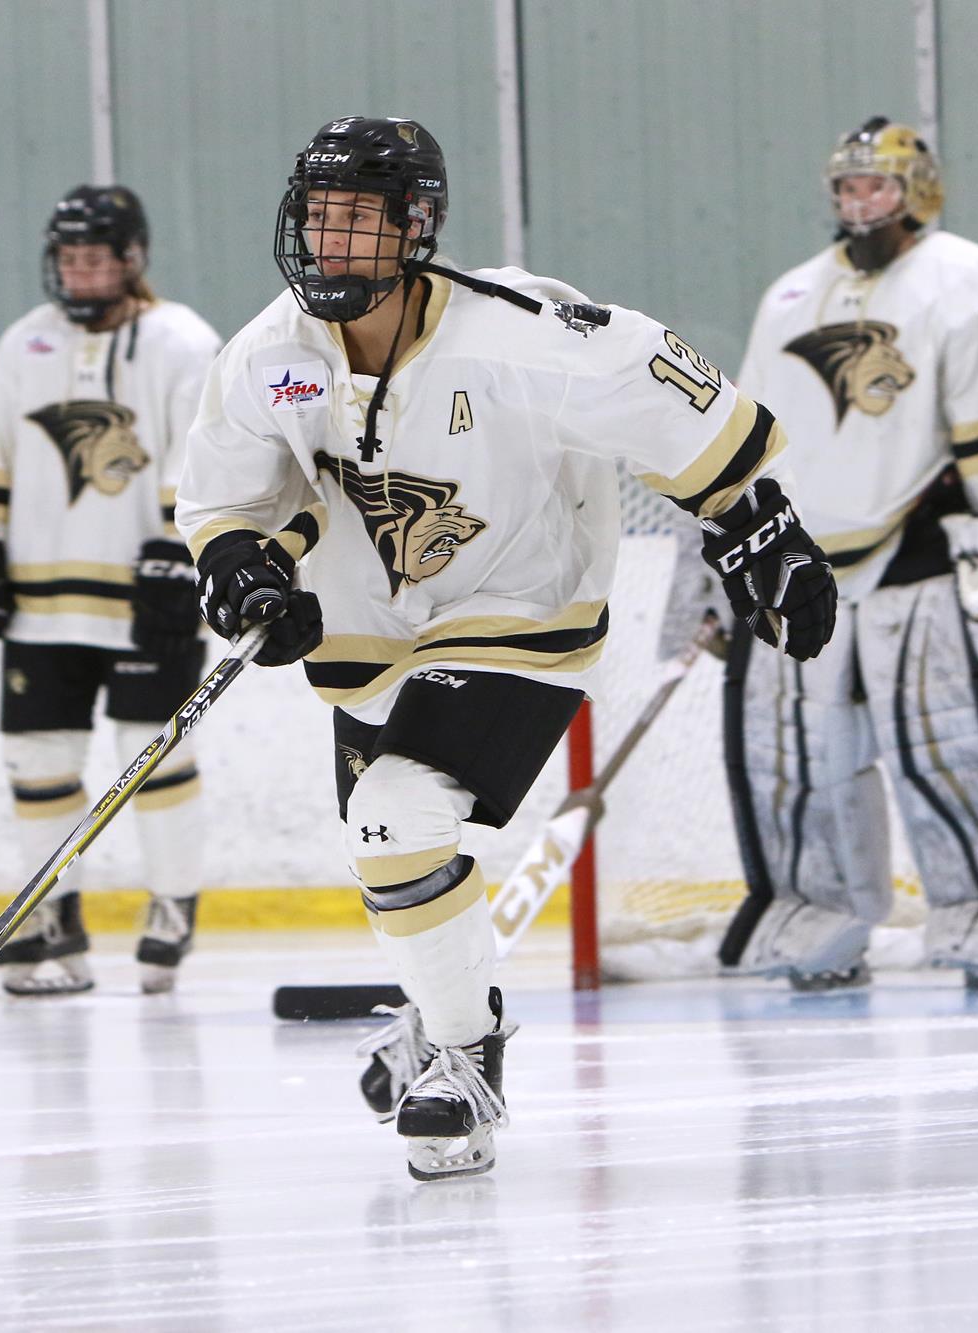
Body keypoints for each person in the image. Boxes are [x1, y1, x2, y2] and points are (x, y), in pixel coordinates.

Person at [177, 116, 837, 1179]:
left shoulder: (519, 331)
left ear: (417, 226)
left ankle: (460, 1054)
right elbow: (221, 496)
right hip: (365, 632)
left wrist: (758, 525)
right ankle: (445, 1004)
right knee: (389, 849)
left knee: (393, 813)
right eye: (316, 215)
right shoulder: (268, 357)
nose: (328, 240)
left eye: (355, 219)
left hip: (519, 610)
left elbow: (665, 396)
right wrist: (243, 568)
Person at [691, 117, 978, 991]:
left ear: (918, 192)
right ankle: (813, 923)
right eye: (847, 188)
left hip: (919, 549)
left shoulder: (965, 279)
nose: (860, 202)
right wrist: (718, 576)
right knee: (789, 762)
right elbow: (738, 439)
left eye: (879, 186)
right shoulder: (790, 295)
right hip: (797, 563)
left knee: (947, 751)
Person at [0, 184, 222, 996]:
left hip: (145, 596)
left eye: (94, 257)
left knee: (155, 758)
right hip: (40, 596)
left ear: (132, 257)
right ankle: (51, 915)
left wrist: (186, 556)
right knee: (37, 760)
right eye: (68, 257)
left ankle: (172, 900)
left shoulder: (182, 341)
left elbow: (202, 462)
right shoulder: (23, 343)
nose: (79, 271)